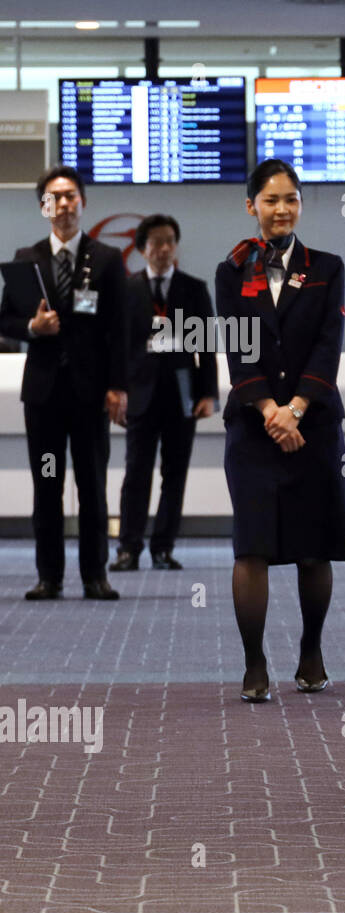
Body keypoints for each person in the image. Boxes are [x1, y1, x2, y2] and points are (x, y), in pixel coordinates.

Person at [217, 159, 345, 703]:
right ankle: (254, 664)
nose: (282, 209)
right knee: (252, 548)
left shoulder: (326, 267)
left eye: (291, 199)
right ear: (252, 206)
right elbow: (237, 347)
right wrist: (270, 410)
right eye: (271, 200)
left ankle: (312, 652)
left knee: (313, 548)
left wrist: (294, 409)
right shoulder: (231, 271)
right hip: (253, 429)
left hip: (313, 425)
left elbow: (328, 343)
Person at [0, 166, 127, 599]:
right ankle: (49, 576)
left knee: (92, 485)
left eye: (71, 195)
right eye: (55, 197)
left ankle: (96, 575)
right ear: (44, 207)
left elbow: (120, 330)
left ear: (83, 202)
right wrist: (34, 327)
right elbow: (7, 321)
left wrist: (118, 387)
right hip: (44, 396)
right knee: (47, 485)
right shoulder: (25, 258)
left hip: (91, 396)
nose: (64, 204)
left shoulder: (108, 260)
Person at [111, 214, 218, 572]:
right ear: (142, 249)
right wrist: (116, 390)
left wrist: (208, 395)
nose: (164, 248)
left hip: (182, 395)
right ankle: (128, 548)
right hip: (139, 395)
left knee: (175, 474)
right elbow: (117, 346)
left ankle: (163, 547)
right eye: (156, 242)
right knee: (136, 474)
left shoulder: (194, 288)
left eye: (170, 241)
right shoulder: (127, 290)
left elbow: (206, 346)